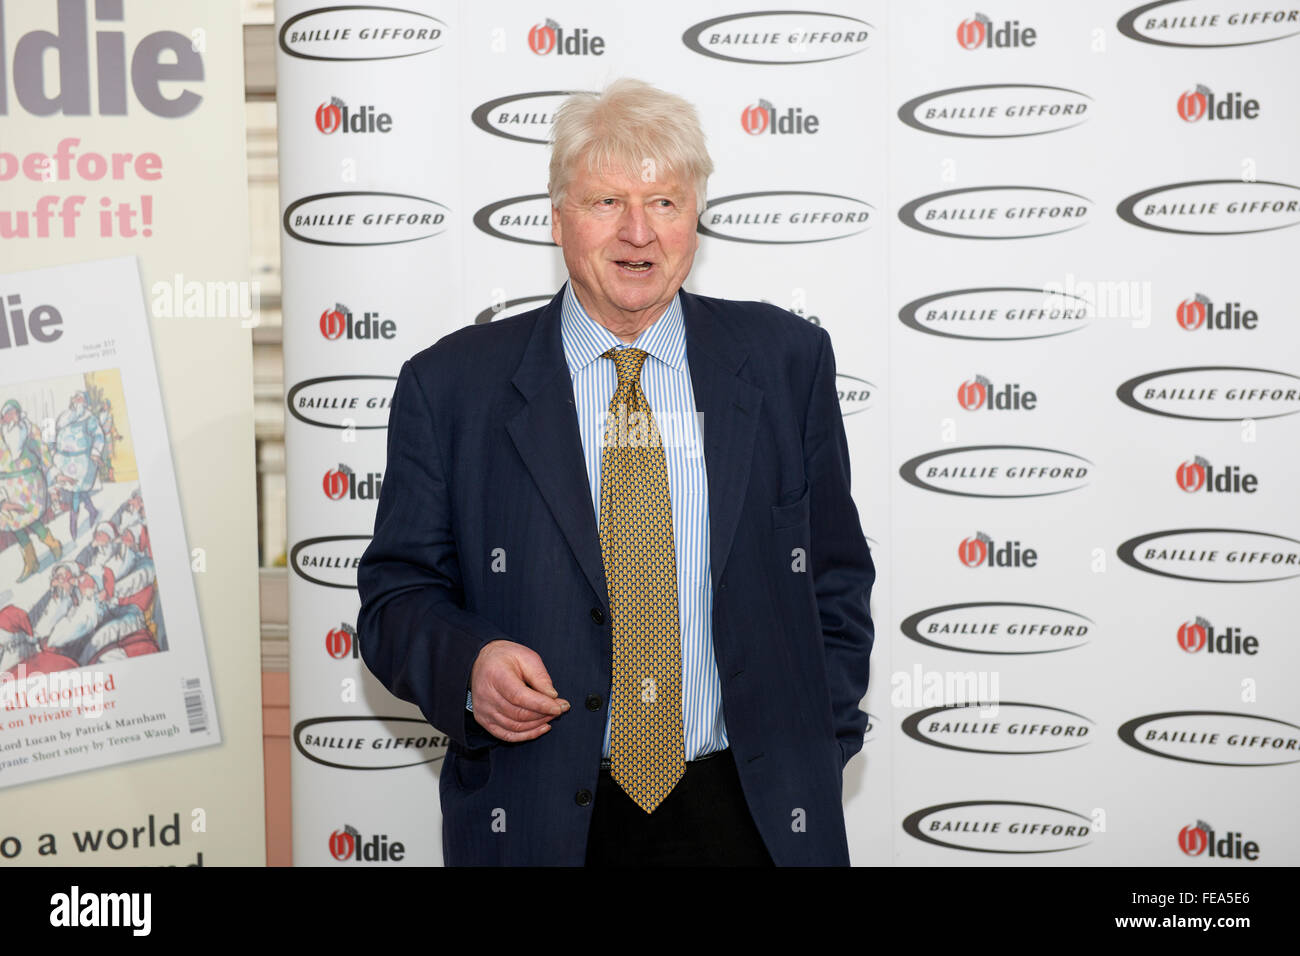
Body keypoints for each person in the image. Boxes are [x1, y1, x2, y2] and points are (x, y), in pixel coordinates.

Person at [357, 78, 875, 867]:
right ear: (558, 216)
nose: (639, 232)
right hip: (542, 818)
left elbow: (834, 579)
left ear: (695, 215)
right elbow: (396, 598)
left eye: (665, 202)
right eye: (607, 202)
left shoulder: (786, 362)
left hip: (754, 817)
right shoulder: (452, 387)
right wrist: (469, 665)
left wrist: (816, 745)